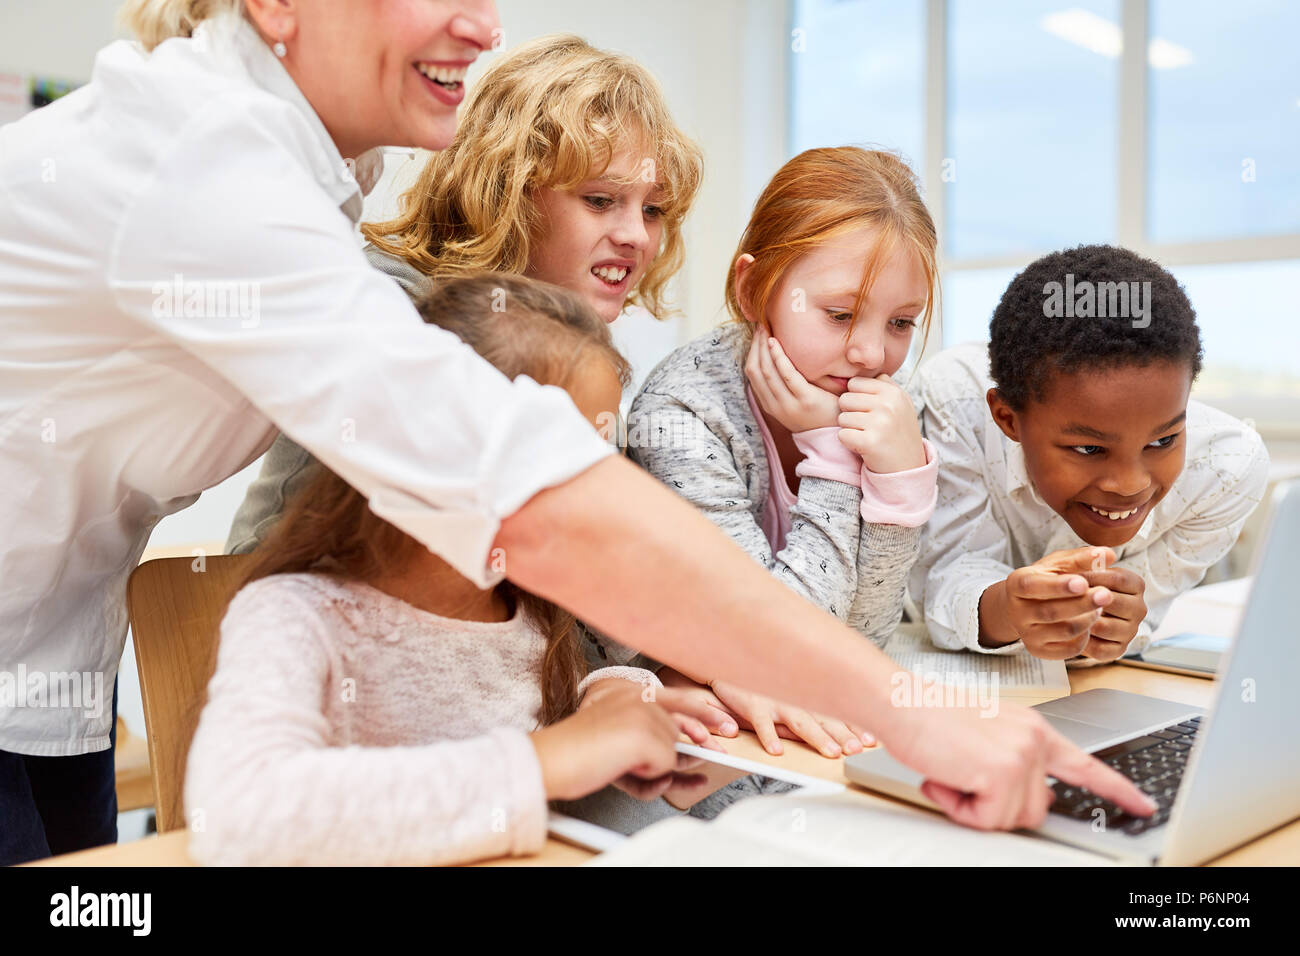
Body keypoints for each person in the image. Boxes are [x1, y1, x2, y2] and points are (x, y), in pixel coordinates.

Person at [0, 0, 1153, 864]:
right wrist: (910, 712)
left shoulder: (304, 177)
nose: (481, 20)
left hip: (52, 665)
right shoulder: (213, 170)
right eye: (599, 199)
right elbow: (505, 527)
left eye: (650, 208)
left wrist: (623, 687)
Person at [187, 274, 727, 865]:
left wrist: (609, 698)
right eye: (563, 459)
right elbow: (241, 815)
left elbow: (506, 712)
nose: (598, 498)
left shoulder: (522, 605)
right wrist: (551, 760)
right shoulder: (293, 616)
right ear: (438, 444)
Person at [226, 32, 702, 557]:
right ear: (508, 191)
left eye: (653, 210)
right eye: (600, 199)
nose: (636, 235)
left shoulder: (571, 345)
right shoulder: (393, 305)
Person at [629, 147, 941, 759]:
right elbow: (780, 649)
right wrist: (835, 459)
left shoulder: (890, 405)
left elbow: (868, 637)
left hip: (820, 720)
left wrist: (899, 475)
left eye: (902, 322)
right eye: (840, 314)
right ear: (753, 289)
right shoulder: (682, 417)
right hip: (716, 743)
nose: (871, 354)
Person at [908, 244, 1269, 662]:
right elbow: (946, 578)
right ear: (1007, 418)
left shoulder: (1227, 469)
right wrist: (1010, 608)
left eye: (1163, 440)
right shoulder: (956, 403)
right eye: (1088, 448)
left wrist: (1117, 627)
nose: (1130, 484)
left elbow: (1136, 617)